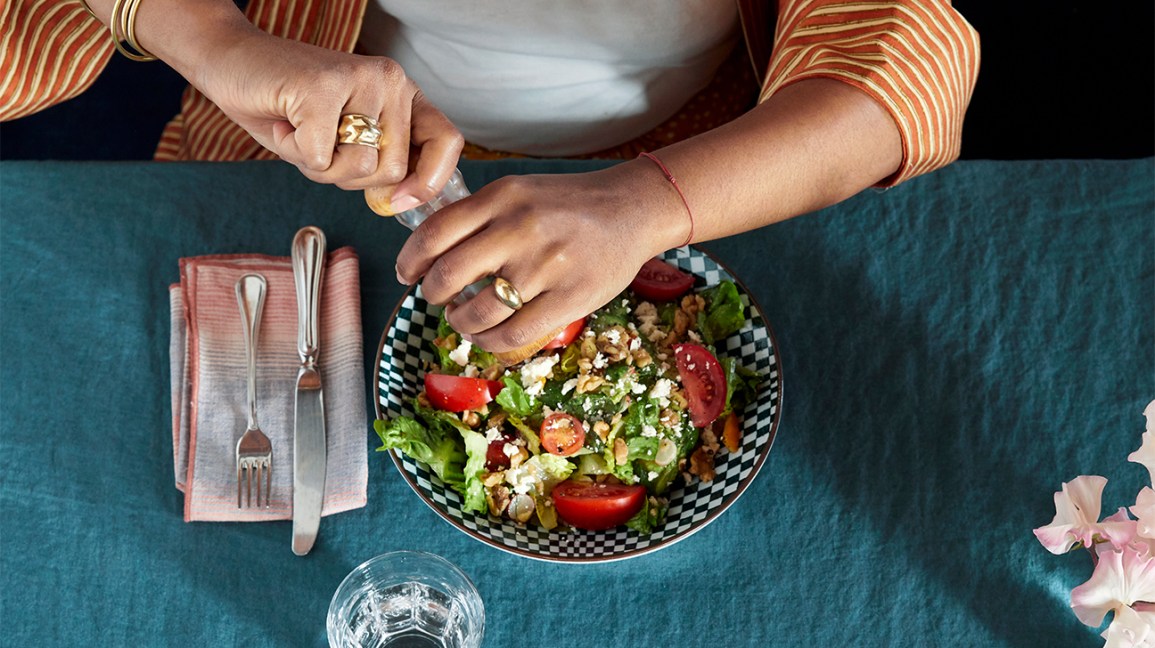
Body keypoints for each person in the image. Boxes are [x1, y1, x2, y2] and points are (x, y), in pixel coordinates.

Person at [2, 0, 980, 359]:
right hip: (308, 126)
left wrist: (646, 203)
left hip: (693, 156)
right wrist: (211, 37)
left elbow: (898, 64)